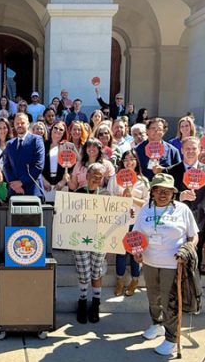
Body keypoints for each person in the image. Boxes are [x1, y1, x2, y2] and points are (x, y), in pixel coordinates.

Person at [132, 174, 198, 357]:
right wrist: (136, 251)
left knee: (170, 301)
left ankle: (171, 338)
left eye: (167, 191)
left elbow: (194, 235)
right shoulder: (145, 209)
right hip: (149, 261)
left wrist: (188, 249)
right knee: (153, 297)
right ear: (152, 192)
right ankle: (157, 324)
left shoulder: (183, 210)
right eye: (159, 190)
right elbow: (135, 234)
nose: (163, 194)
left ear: (173, 193)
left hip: (173, 264)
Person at [167, 137, 205, 275]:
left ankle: (192, 289)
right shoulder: (171, 171)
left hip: (200, 221)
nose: (191, 151)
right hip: (176, 221)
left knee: (195, 255)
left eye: (194, 148)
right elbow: (162, 197)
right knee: (176, 255)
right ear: (182, 150)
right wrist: (179, 196)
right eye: (187, 149)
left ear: (200, 150)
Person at [107, 150, 150, 296]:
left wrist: (132, 199)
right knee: (121, 252)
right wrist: (120, 198)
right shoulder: (115, 179)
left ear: (137, 161)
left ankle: (135, 280)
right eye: (126, 159)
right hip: (120, 221)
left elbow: (147, 203)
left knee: (135, 252)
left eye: (132, 159)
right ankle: (120, 281)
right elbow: (108, 198)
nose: (129, 162)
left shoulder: (143, 181)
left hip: (137, 222)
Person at [71, 163, 109, 324]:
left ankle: (95, 304)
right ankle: (82, 302)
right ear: (87, 176)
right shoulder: (77, 193)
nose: (96, 178)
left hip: (100, 239)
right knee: (84, 273)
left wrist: (127, 212)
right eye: (94, 175)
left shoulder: (107, 195)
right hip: (80, 239)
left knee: (96, 272)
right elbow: (68, 215)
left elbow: (114, 215)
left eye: (100, 176)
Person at [3, 113, 45, 198]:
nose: (19, 125)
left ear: (28, 124)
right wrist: (13, 184)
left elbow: (38, 165)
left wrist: (21, 182)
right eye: (17, 123)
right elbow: (6, 167)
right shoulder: (9, 144)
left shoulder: (36, 140)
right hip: (14, 192)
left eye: (22, 123)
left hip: (33, 191)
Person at [41, 121, 70, 204]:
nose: (58, 130)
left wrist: (63, 181)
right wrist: (43, 180)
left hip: (61, 186)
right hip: (45, 185)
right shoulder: (43, 144)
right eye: (55, 128)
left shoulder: (67, 147)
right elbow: (36, 164)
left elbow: (73, 166)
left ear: (64, 133)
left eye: (61, 129)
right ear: (52, 129)